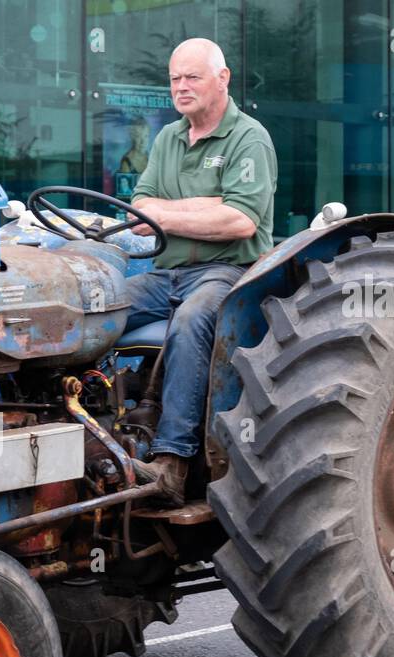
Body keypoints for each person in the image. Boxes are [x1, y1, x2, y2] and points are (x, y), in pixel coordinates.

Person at [125, 37, 276, 504]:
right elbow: (137, 213)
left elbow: (239, 221)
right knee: (91, 309)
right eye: (174, 78)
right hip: (163, 273)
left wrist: (166, 212)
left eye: (192, 77)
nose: (181, 87)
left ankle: (172, 462)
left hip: (227, 271)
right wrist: (202, 206)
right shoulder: (168, 138)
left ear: (223, 79)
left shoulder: (249, 138)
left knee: (192, 320)